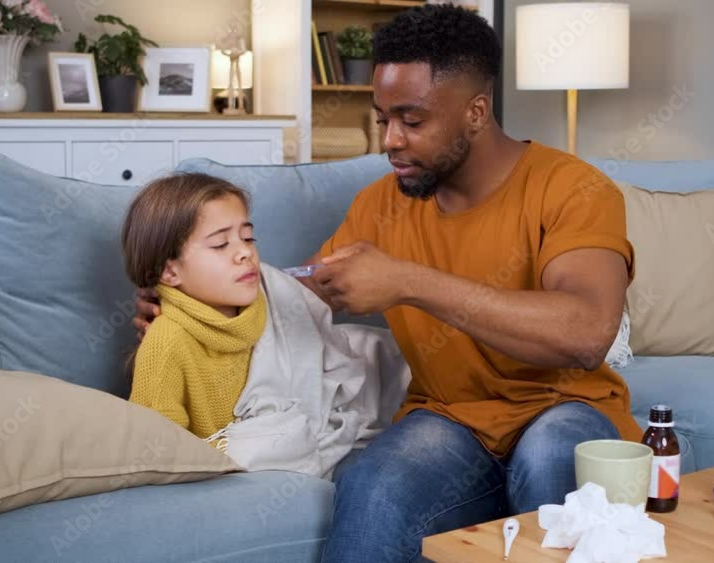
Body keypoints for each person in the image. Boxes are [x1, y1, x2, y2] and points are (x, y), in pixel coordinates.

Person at [133, 5, 642, 561]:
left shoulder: (574, 190)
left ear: (476, 112)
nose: (390, 141)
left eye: (412, 121)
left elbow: (587, 333)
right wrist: (187, 308)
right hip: (448, 419)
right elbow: (289, 300)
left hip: (565, 407)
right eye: (382, 120)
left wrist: (409, 282)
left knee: (550, 463)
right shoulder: (380, 205)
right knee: (373, 489)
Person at [121, 173, 264, 442]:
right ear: (170, 272)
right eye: (220, 244)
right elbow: (157, 446)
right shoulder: (165, 344)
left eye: (247, 238)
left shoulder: (273, 304)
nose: (245, 252)